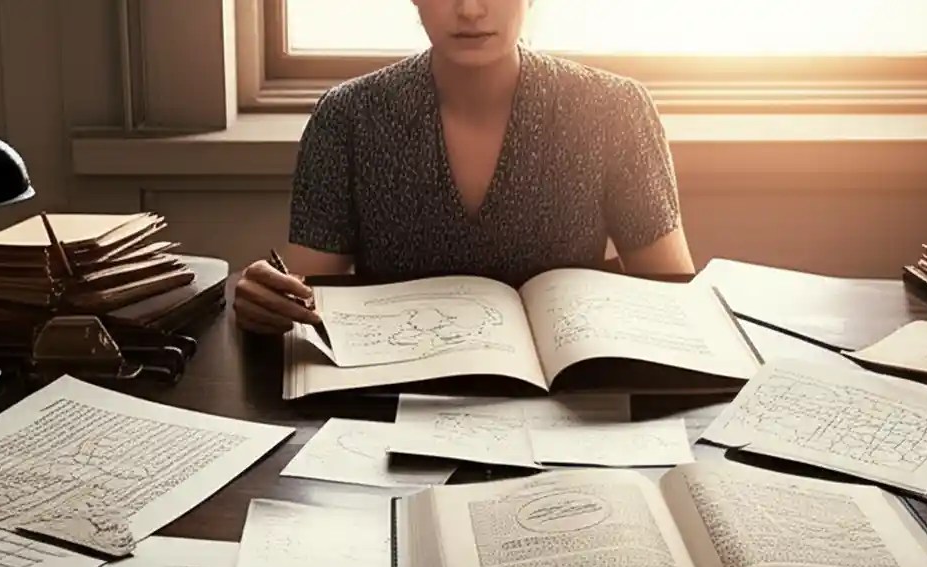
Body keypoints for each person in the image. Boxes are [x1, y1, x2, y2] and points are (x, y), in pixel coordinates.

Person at [233, 0, 695, 335]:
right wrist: (267, 303)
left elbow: (673, 300)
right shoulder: (348, 117)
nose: (471, 9)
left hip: (572, 405)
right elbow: (310, 300)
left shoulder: (615, 110)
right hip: (395, 401)